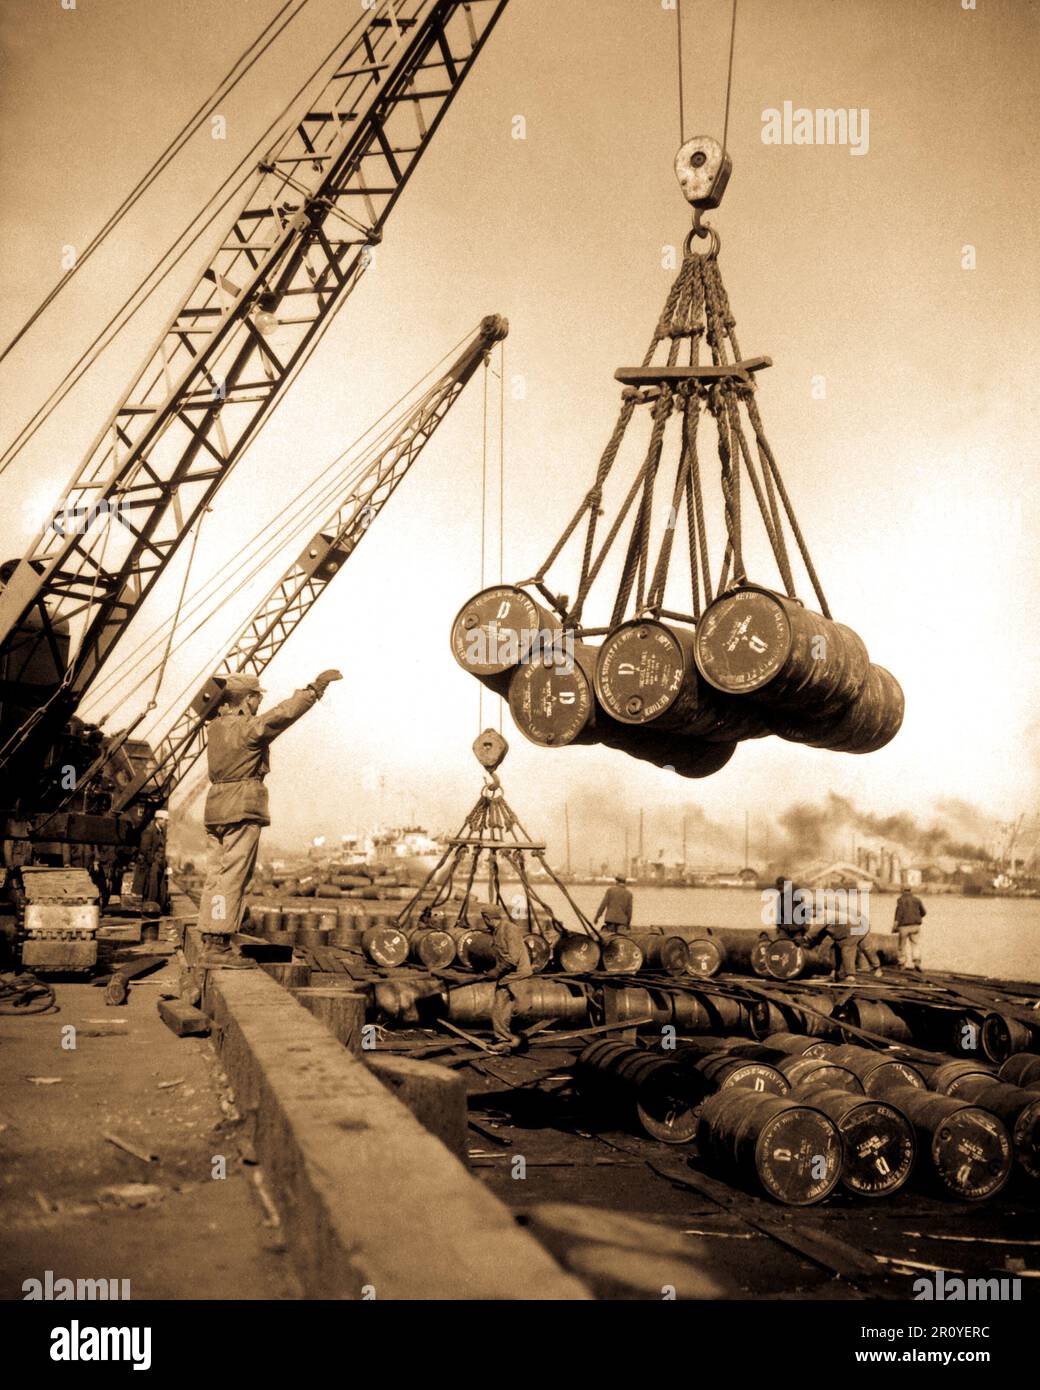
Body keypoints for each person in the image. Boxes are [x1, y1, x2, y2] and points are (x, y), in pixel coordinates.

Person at [197, 669, 342, 965]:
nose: (259, 704)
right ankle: (218, 945)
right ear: (248, 700)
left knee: (217, 876)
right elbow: (282, 715)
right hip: (240, 808)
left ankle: (212, 936)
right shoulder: (247, 728)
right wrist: (313, 690)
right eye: (256, 698)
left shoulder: (215, 728)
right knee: (232, 878)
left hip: (215, 809)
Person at [489, 913, 534, 1047]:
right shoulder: (496, 931)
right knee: (498, 1008)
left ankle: (515, 1037)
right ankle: (502, 1039)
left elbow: (513, 959)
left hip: (517, 976)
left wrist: (496, 971)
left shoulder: (510, 929)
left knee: (522, 1008)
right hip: (505, 976)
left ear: (488, 918)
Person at [893, 884, 927, 971]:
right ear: (910, 890)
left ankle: (901, 964)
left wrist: (895, 926)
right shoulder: (917, 900)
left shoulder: (900, 900)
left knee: (902, 946)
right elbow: (924, 912)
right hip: (915, 926)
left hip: (904, 927)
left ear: (902, 890)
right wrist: (917, 917)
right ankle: (916, 963)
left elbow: (899, 914)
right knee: (915, 945)